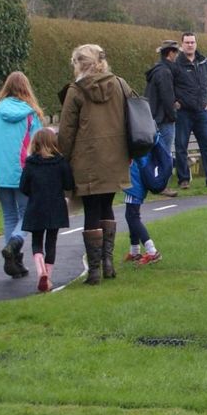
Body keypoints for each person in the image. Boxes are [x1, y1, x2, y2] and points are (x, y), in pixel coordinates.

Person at [58, 44, 132, 285]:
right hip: (115, 155)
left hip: (87, 158)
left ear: (80, 64)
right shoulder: (121, 85)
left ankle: (94, 271)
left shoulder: (76, 90)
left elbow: (67, 131)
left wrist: (63, 160)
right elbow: (133, 117)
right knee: (107, 206)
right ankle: (108, 264)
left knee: (92, 210)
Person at [0, 71, 45, 278]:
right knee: (26, 214)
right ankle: (15, 244)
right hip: (22, 171)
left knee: (10, 215)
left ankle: (13, 259)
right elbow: (38, 145)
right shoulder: (31, 115)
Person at [18, 127, 74, 292]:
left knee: (36, 241)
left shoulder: (31, 163)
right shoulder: (60, 162)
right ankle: (48, 276)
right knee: (51, 241)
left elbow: (23, 187)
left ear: (35, 143)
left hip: (36, 206)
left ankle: (39, 269)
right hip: (56, 206)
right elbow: (69, 184)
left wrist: (33, 193)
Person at [172, 31, 207, 188]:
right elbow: (169, 85)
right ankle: (183, 180)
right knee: (181, 146)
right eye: (187, 42)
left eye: (192, 42)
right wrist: (175, 101)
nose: (190, 45)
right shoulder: (176, 64)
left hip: (202, 111)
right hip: (183, 112)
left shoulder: (204, 62)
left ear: (196, 44)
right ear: (182, 45)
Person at [122, 131, 168, 265]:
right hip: (138, 180)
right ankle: (134, 251)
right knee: (131, 215)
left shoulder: (136, 138)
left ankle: (152, 251)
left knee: (132, 216)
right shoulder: (144, 132)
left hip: (135, 182)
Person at [144, 40, 180, 197]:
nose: (177, 56)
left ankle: (154, 183)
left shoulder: (156, 71)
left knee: (156, 153)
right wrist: (173, 116)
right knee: (164, 155)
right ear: (171, 53)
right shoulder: (164, 72)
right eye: (176, 53)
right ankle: (162, 186)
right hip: (163, 119)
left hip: (153, 118)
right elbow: (167, 98)